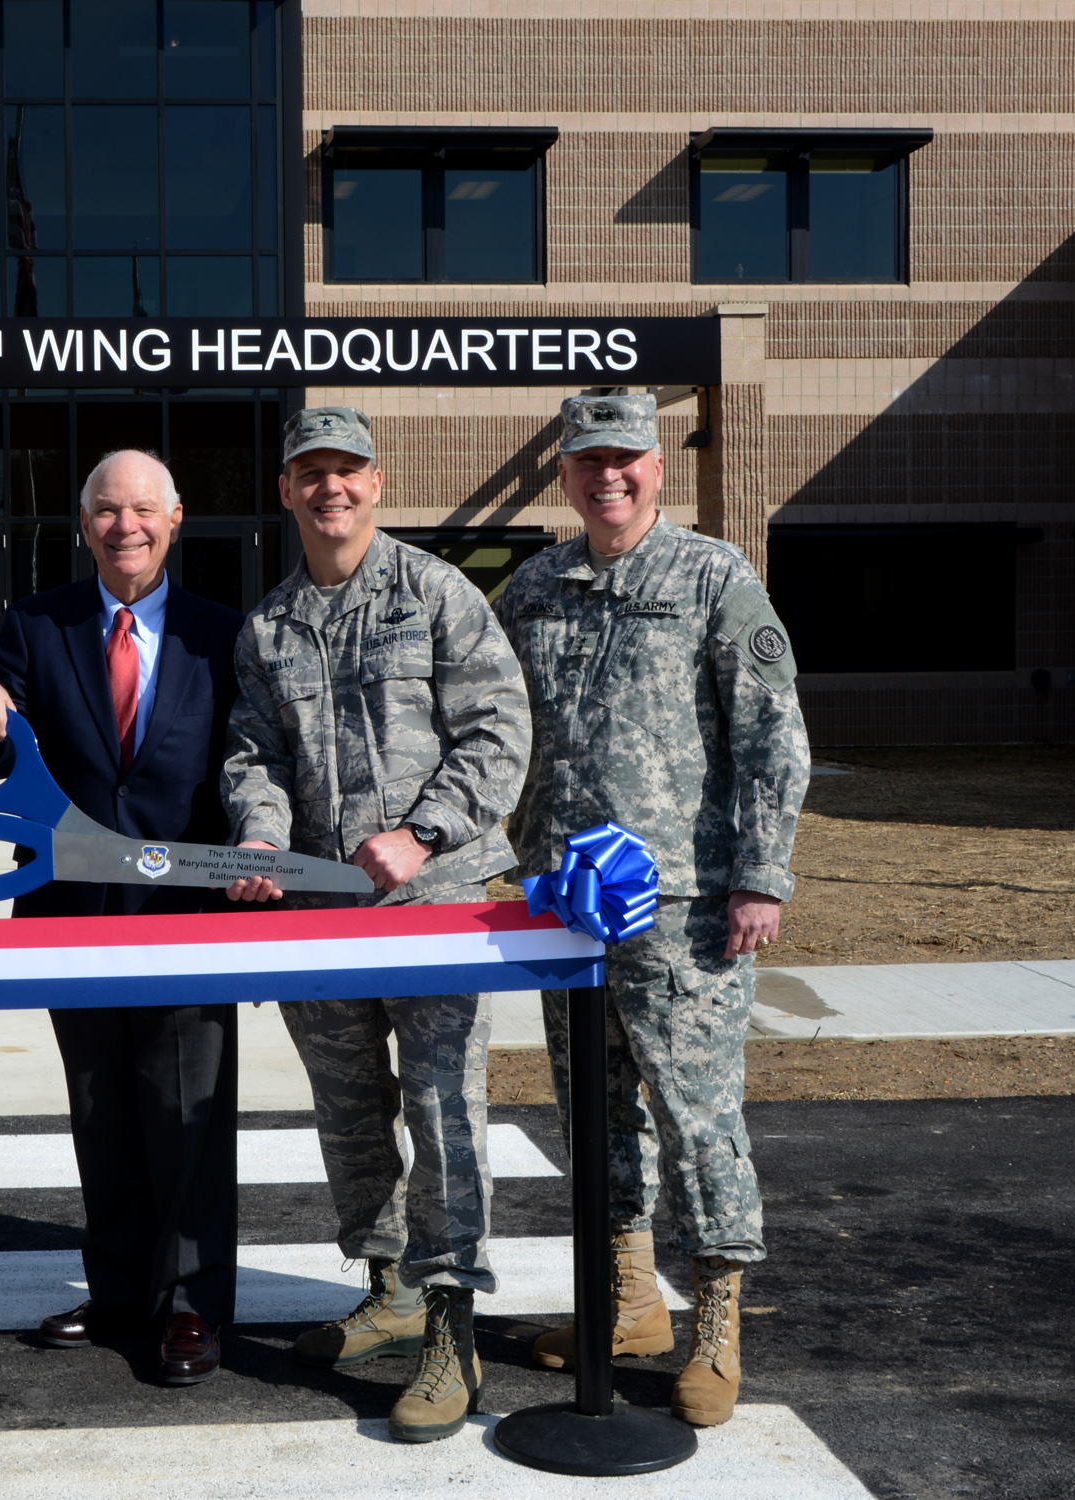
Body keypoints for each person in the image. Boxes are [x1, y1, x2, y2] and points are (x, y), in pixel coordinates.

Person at [494, 393, 809, 1428]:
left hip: (687, 906)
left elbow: (773, 732)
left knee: (699, 1118)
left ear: (658, 465)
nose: (607, 476)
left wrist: (761, 874)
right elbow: (495, 728)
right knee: (594, 1115)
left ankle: (717, 1320)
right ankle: (625, 1305)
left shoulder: (713, 575)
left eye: (625, 458)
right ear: (567, 475)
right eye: (588, 461)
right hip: (563, 908)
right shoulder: (535, 586)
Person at [224, 407, 531, 1445]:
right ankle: (389, 1285)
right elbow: (253, 753)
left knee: (447, 1114)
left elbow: (499, 733)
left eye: (347, 472)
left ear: (377, 481)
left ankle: (452, 1327)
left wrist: (423, 832)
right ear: (287, 489)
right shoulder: (267, 625)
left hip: (438, 902)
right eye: (311, 473)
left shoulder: (437, 594)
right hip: (320, 912)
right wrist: (260, 838)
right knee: (350, 1113)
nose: (331, 490)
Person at [0, 449, 243, 1385]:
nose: (127, 526)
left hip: (186, 916)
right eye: (108, 511)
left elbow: (244, 773)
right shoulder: (34, 627)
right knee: (102, 1113)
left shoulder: (224, 634)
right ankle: (119, 1293)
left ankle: (191, 1308)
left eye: (144, 509)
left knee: (188, 1115)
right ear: (84, 525)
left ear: (177, 518)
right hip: (71, 917)